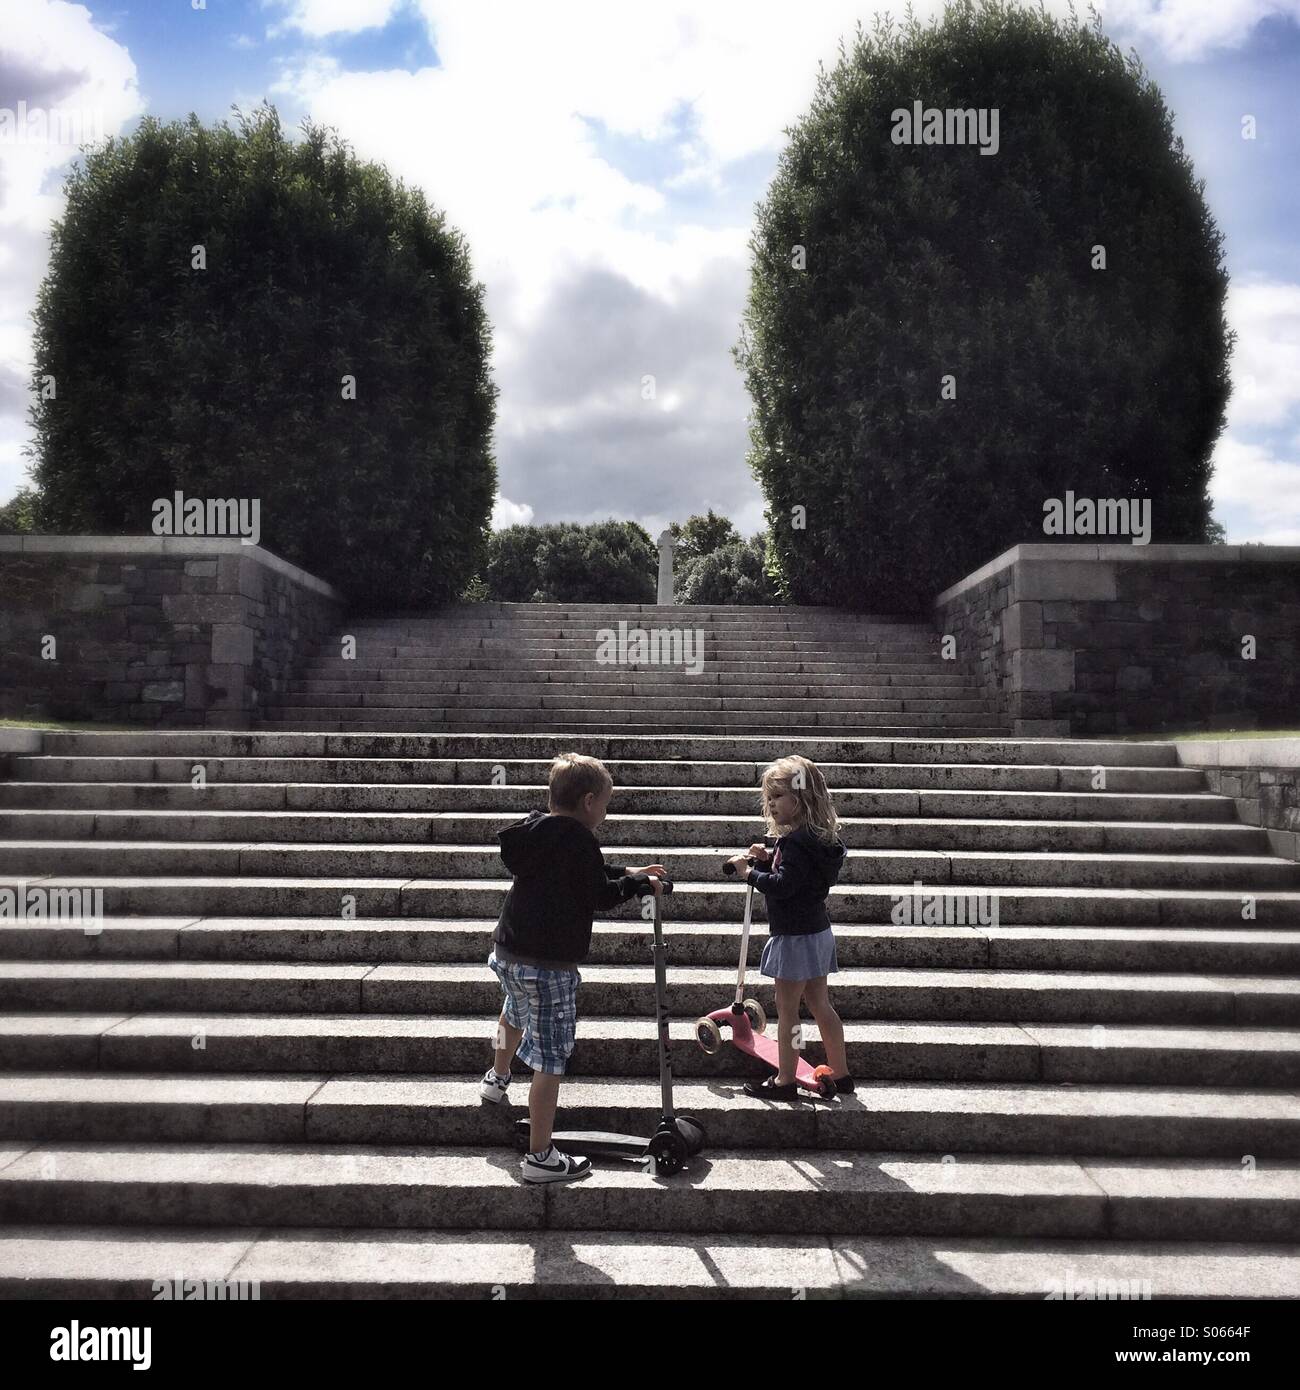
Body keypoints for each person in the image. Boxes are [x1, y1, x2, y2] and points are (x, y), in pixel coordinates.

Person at [480, 751, 665, 1182]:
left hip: (509, 953)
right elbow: (598, 893)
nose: (604, 811)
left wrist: (631, 871)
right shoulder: (580, 839)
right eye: (605, 802)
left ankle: (497, 1076)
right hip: (549, 965)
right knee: (550, 1057)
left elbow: (585, 872)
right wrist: (638, 885)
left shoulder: (536, 831)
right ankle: (540, 1157)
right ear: (588, 802)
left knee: (513, 1010)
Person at [726, 754, 853, 1100]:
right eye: (769, 798)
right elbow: (798, 876)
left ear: (798, 799)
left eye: (776, 797)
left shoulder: (795, 841)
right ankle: (841, 1073)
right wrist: (769, 860)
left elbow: (784, 886)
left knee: (787, 1012)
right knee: (820, 1004)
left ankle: (785, 1079)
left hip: (794, 937)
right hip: (818, 932)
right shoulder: (818, 840)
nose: (771, 804)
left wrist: (749, 873)